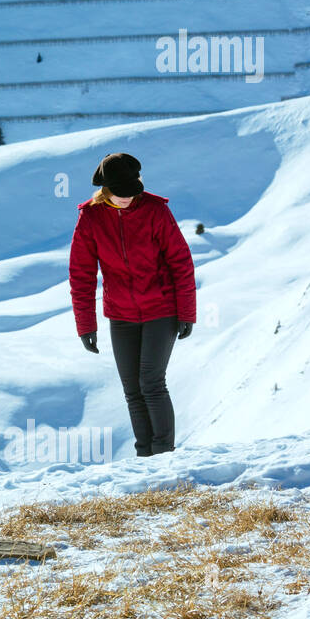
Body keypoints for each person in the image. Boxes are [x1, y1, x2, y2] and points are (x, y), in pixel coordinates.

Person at [69, 153, 196, 457]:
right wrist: (86, 325)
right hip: (121, 315)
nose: (126, 198)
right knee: (133, 390)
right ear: (105, 190)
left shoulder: (155, 211)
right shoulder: (90, 217)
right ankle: (145, 458)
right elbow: (81, 274)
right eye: (119, 193)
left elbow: (181, 262)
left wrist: (187, 312)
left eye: (131, 191)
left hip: (161, 309)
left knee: (151, 382)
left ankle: (164, 454)